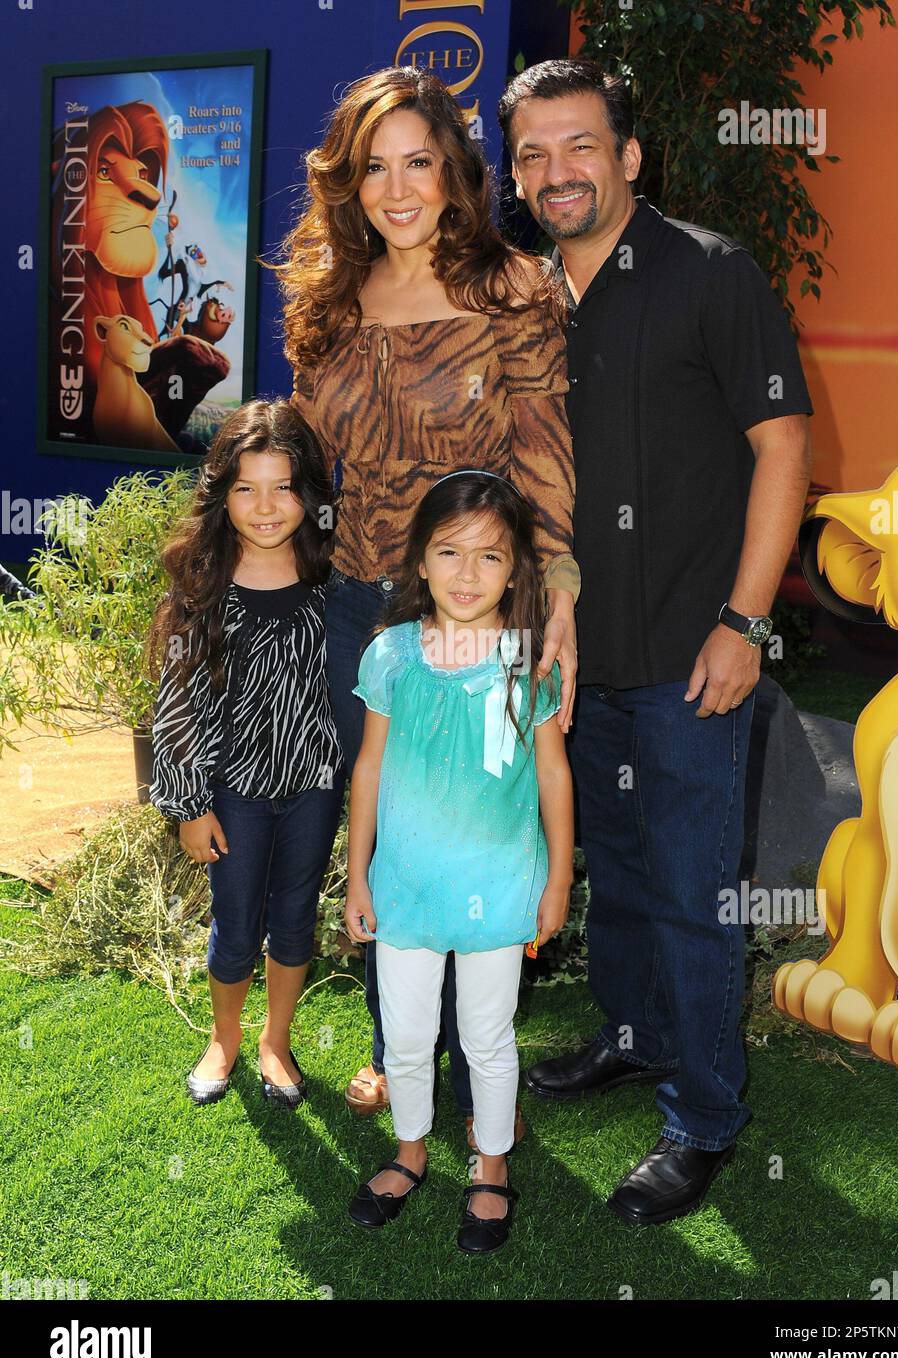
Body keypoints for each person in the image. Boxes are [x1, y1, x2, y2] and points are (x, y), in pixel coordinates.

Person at [497, 59, 814, 1223]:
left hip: (694, 655)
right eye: (532, 154)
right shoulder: (522, 296)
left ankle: (704, 1118)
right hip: (575, 660)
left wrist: (744, 622)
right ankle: (632, 1036)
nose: (556, 172)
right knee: (616, 873)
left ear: (629, 157)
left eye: (579, 145)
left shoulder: (708, 272)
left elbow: (784, 446)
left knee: (690, 892)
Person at [270, 66, 580, 1135]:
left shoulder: (514, 290)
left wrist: (557, 591)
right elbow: (304, 461)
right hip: (360, 609)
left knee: (479, 822)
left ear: (453, 173)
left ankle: (478, 1056)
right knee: (391, 826)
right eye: (374, 168)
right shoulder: (327, 301)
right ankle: (395, 1045)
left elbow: (544, 454)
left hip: (477, 610)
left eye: (418, 163)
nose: (397, 189)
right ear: (347, 183)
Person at [343, 470, 574, 1253]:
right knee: (406, 1037)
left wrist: (557, 879)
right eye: (449, 552)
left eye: (489, 556)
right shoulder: (390, 655)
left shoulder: (527, 663)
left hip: (498, 890)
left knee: (487, 1037)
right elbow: (368, 768)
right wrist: (357, 875)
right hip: (404, 889)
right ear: (419, 560)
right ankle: (409, 1153)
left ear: (515, 571)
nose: (466, 574)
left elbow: (552, 776)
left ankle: (492, 1164)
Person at [148, 399, 344, 1107]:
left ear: (308, 493)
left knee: (295, 917)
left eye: (283, 488)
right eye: (245, 489)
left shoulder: (333, 578)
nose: (265, 508)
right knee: (234, 922)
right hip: (232, 791)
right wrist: (188, 804)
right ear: (221, 494)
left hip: (313, 784)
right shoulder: (203, 584)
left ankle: (276, 1039)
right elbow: (177, 702)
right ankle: (224, 1036)